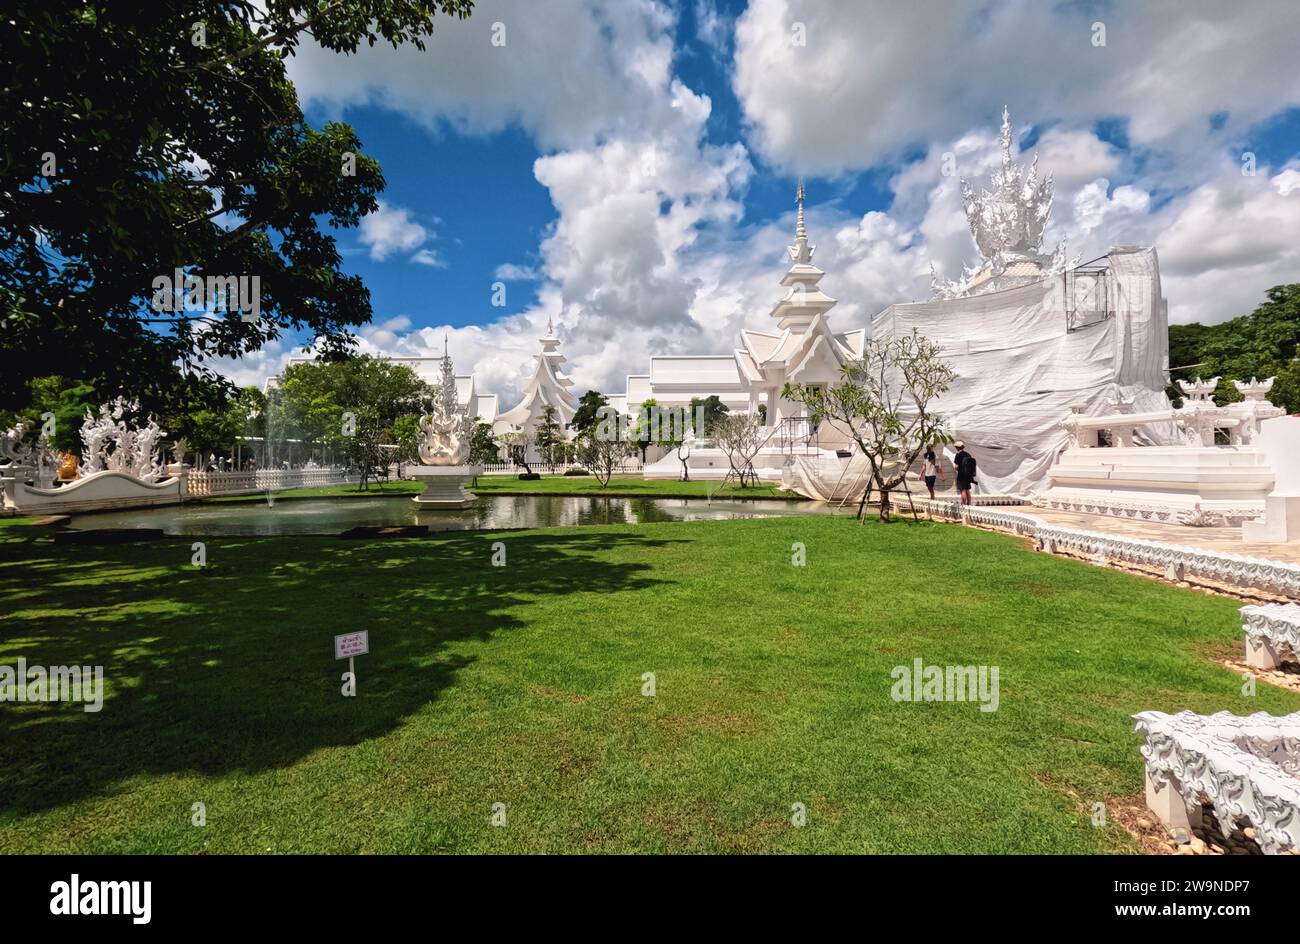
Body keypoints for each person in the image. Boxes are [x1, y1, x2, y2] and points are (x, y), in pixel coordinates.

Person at [953, 440, 976, 505]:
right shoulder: (968, 454)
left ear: (957, 447)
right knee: (967, 490)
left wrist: (956, 468)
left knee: (962, 490)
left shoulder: (958, 455)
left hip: (961, 475)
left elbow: (956, 467)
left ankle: (964, 504)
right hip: (968, 475)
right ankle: (969, 504)